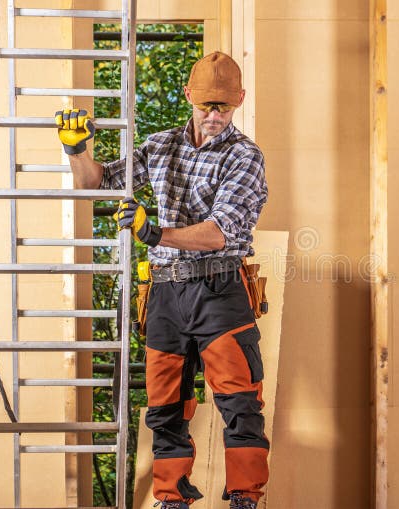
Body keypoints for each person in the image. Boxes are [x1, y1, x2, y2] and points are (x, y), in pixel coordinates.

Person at [55, 51, 269, 509]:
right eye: (206, 104)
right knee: (164, 405)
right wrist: (77, 150)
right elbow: (95, 184)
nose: (214, 115)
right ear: (188, 95)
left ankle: (245, 498)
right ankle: (171, 497)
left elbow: (219, 233)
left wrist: (153, 232)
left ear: (240, 101)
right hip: (166, 294)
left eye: (224, 107)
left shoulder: (244, 156)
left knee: (240, 402)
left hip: (219, 290)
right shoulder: (159, 146)